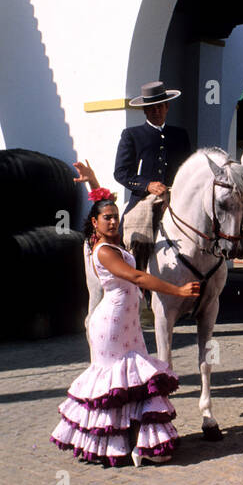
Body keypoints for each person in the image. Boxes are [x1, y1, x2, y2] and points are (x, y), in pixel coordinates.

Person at [50, 190, 200, 466]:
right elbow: (137, 276)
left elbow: (134, 268)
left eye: (116, 217)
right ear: (95, 222)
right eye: (107, 218)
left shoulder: (115, 245)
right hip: (111, 324)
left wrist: (96, 185)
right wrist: (177, 291)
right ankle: (110, 444)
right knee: (114, 383)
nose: (113, 221)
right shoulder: (103, 251)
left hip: (127, 323)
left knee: (131, 382)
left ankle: (136, 442)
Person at [114, 80, 192, 270]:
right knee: (134, 228)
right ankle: (136, 275)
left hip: (177, 196)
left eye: (160, 107)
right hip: (145, 197)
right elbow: (121, 172)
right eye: (151, 108)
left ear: (167, 107)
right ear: (144, 111)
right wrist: (147, 185)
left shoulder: (180, 134)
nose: (156, 111)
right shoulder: (132, 135)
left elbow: (188, 169)